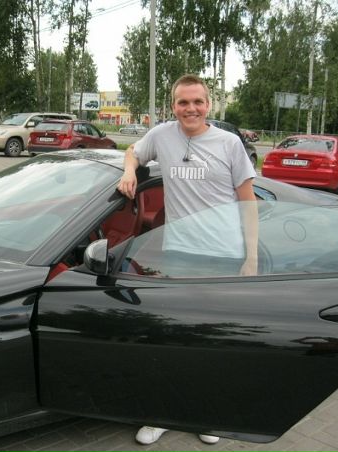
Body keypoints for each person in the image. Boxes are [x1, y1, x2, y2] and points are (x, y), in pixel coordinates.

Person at [117, 74, 258, 446]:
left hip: (222, 258)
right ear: (173, 106)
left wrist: (251, 257)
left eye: (197, 102)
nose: (190, 109)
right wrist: (129, 170)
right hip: (178, 256)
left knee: (211, 341)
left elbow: (248, 203)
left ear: (208, 105)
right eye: (183, 102)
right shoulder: (162, 136)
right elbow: (133, 151)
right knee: (173, 337)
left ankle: (205, 414)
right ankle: (164, 414)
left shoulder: (229, 144)